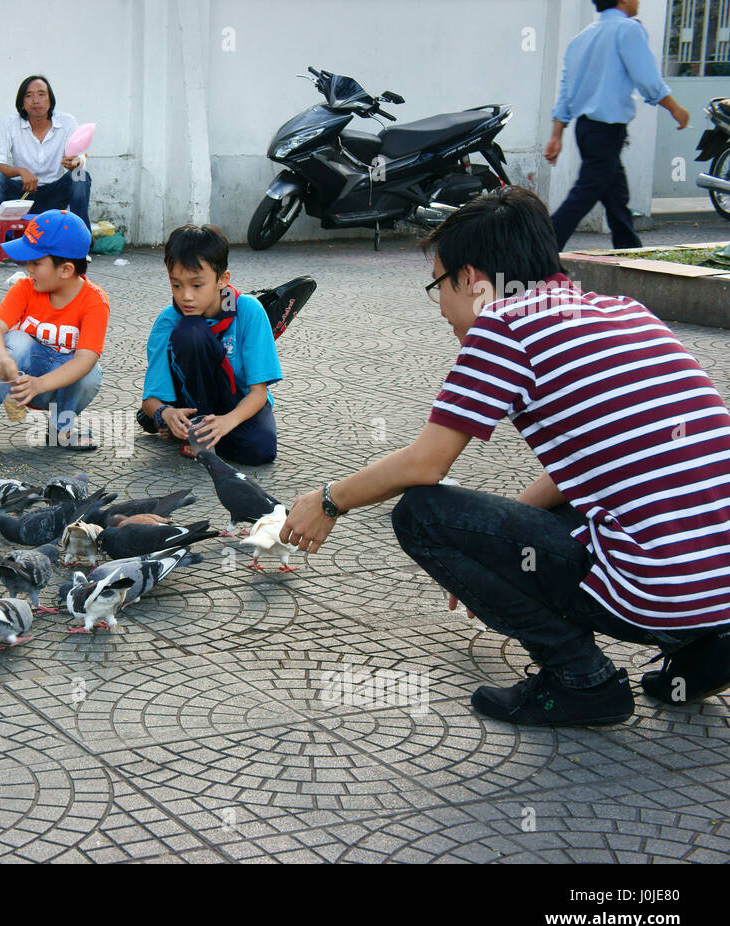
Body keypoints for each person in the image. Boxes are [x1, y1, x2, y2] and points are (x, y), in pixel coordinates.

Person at [278, 187, 730, 727]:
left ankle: (580, 680)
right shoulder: (622, 312)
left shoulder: (504, 324)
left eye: (438, 284)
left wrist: (329, 501)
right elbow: (592, 464)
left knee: (420, 514)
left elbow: (426, 465)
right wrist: (499, 554)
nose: (442, 305)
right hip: (715, 583)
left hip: (660, 586)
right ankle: (705, 649)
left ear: (470, 279)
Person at [0, 210, 107, 452]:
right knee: (16, 340)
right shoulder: (25, 288)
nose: (28, 268)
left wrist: (40, 385)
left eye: (36, 262)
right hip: (19, 378)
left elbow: (85, 359)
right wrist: (2, 360)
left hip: (58, 383)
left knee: (91, 373)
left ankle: (61, 427)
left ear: (66, 270)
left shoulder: (95, 302)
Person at [544, 0, 689, 249]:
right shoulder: (628, 30)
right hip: (607, 129)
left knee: (616, 195)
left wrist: (556, 134)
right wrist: (675, 108)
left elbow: (567, 90)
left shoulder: (581, 38)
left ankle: (629, 249)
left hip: (586, 129)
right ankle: (542, 247)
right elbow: (647, 78)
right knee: (586, 191)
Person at [138, 224, 281, 465]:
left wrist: (228, 422)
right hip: (190, 402)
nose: (186, 296)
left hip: (236, 401)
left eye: (197, 285)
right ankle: (185, 424)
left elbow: (258, 393)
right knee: (190, 331)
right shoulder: (168, 320)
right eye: (176, 285)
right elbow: (151, 400)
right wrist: (165, 412)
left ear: (222, 279)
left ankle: (186, 430)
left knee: (260, 450)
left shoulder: (248, 311)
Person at [0, 75, 92, 229]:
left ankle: (81, 235)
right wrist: (20, 171)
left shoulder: (67, 122)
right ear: (22, 104)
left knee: (80, 175)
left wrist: (75, 162)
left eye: (41, 94)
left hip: (55, 194)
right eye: (29, 96)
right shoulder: (10, 123)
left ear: (50, 100)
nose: (35, 100)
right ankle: (1, 239)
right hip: (22, 195)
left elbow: (81, 156)